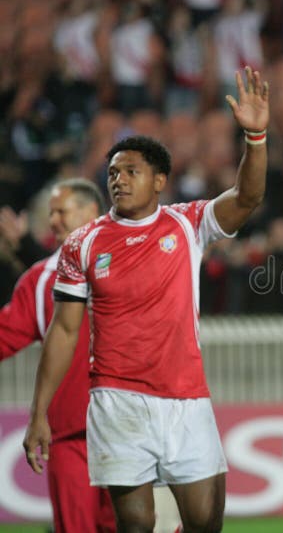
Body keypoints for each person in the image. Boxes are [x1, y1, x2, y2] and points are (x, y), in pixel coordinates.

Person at [22, 65, 270, 532]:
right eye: (113, 172)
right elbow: (65, 330)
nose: (118, 179)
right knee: (134, 526)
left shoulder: (187, 223)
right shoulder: (83, 244)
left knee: (204, 523)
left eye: (131, 171)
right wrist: (40, 413)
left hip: (185, 398)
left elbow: (247, 197)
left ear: (159, 181)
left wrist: (255, 138)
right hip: (116, 402)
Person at [1, 179, 116, 533]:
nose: (52, 221)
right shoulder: (39, 280)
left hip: (129, 430)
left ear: (91, 212)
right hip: (70, 437)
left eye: (60, 211)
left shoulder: (131, 263)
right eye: (50, 213)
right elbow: (5, 335)